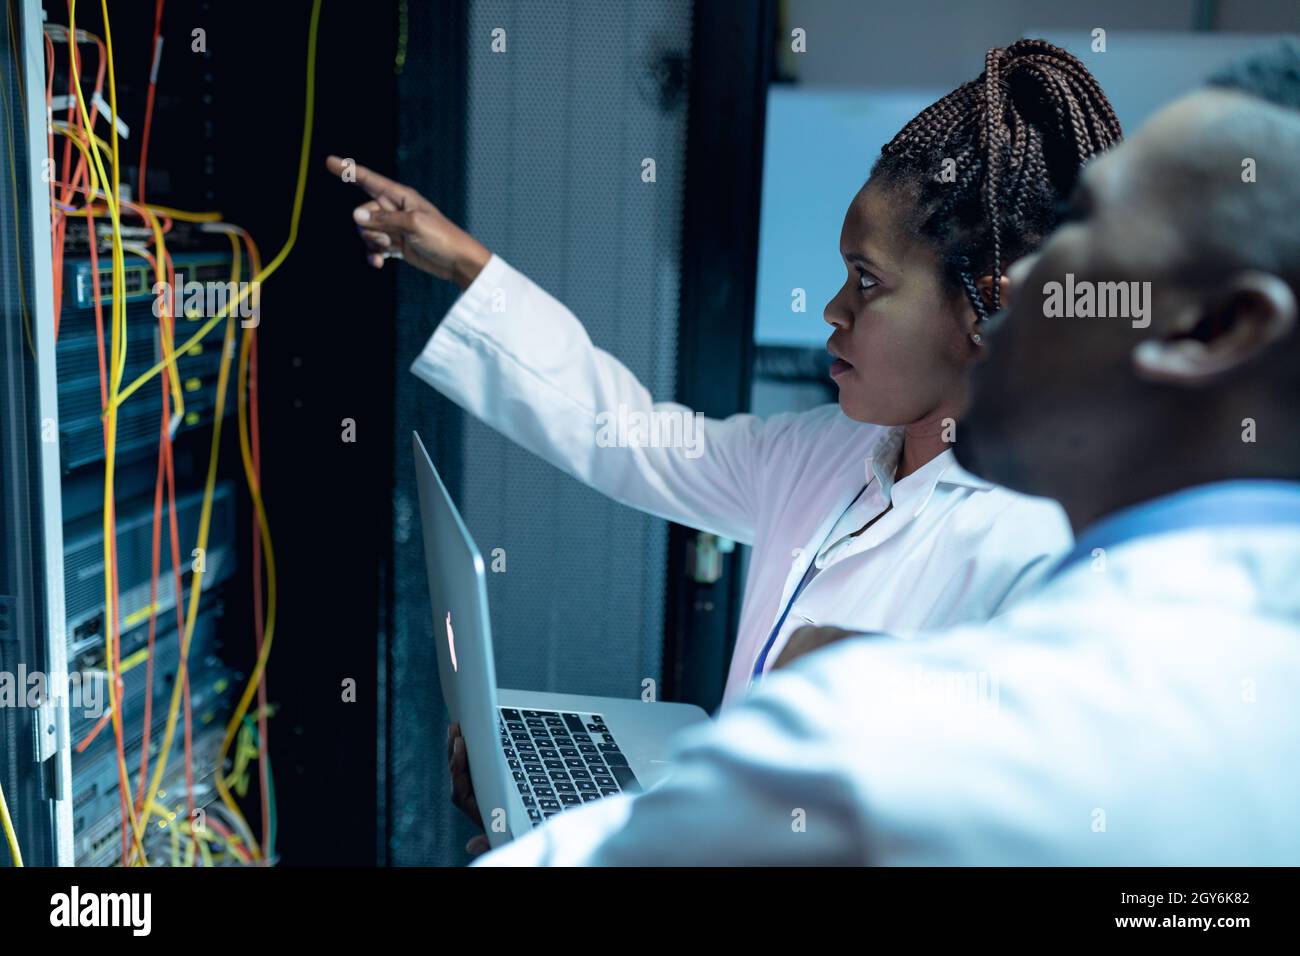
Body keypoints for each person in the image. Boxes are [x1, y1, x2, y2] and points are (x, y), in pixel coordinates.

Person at [468, 41, 1300, 866]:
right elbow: (630, 436)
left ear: (1213, 330)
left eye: (1089, 229)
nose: (1014, 286)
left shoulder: (961, 698)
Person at [329, 40, 1119, 850]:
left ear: (988, 312)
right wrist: (463, 263)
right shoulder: (832, 452)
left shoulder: (1046, 549)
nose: (833, 310)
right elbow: (629, 439)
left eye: (868, 282)